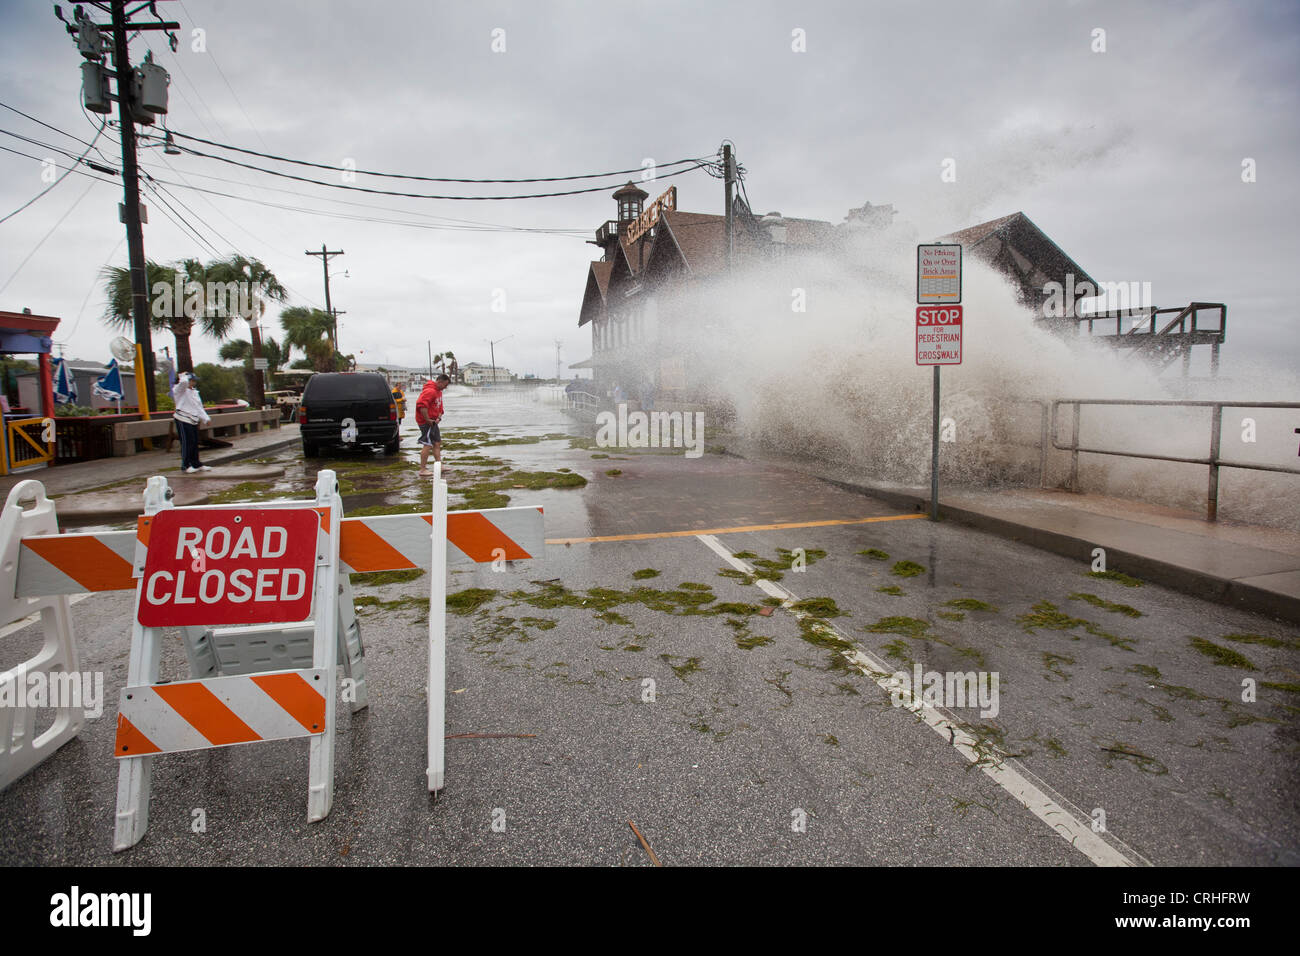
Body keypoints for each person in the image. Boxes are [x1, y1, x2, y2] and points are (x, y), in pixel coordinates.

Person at [172, 371, 212, 474]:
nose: (193, 383)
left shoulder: (194, 392)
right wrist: (183, 376)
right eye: (192, 381)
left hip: (193, 419)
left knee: (194, 442)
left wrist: (205, 418)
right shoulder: (179, 389)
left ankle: (196, 463)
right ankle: (186, 465)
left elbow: (198, 407)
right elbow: (183, 384)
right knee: (186, 443)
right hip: (183, 418)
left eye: (194, 381)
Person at [416, 373, 450, 477]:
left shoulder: (438, 391)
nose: (445, 387)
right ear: (440, 382)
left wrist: (439, 417)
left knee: (437, 443)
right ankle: (422, 469)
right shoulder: (430, 391)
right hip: (426, 422)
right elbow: (421, 406)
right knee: (428, 444)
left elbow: (440, 407)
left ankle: (439, 466)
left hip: (434, 422)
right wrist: (427, 419)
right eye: (445, 385)